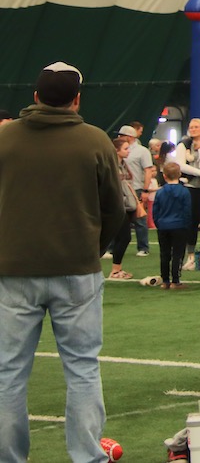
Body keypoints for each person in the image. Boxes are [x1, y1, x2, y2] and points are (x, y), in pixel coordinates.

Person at [0, 61, 124, 462]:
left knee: (8, 372)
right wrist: (93, 248)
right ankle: (87, 455)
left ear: (35, 97)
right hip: (77, 270)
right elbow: (114, 209)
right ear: (77, 100)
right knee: (83, 367)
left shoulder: (5, 138)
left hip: (14, 270)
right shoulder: (95, 141)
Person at [173, 118, 200, 270]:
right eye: (191, 127)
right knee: (191, 222)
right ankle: (190, 256)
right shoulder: (183, 144)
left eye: (196, 127)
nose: (193, 129)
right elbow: (180, 165)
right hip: (191, 187)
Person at [107, 137, 145, 280]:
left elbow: (128, 184)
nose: (128, 151)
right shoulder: (111, 166)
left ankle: (117, 269)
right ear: (116, 150)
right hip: (117, 206)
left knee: (122, 237)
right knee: (124, 237)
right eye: (125, 148)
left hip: (127, 205)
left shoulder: (123, 165)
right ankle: (115, 270)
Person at [152, 162, 192, 289]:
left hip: (163, 226)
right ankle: (175, 280)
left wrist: (158, 223)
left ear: (164, 176)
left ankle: (165, 281)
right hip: (179, 226)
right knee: (178, 254)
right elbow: (187, 211)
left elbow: (155, 211)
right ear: (179, 174)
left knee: (164, 254)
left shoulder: (160, 192)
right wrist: (186, 224)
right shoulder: (184, 192)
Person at [117, 125, 154, 257]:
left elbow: (148, 170)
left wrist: (145, 190)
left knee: (140, 219)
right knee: (117, 219)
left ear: (129, 137)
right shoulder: (117, 150)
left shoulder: (142, 151)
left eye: (121, 135)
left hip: (135, 188)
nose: (119, 137)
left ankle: (143, 247)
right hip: (120, 188)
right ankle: (111, 248)